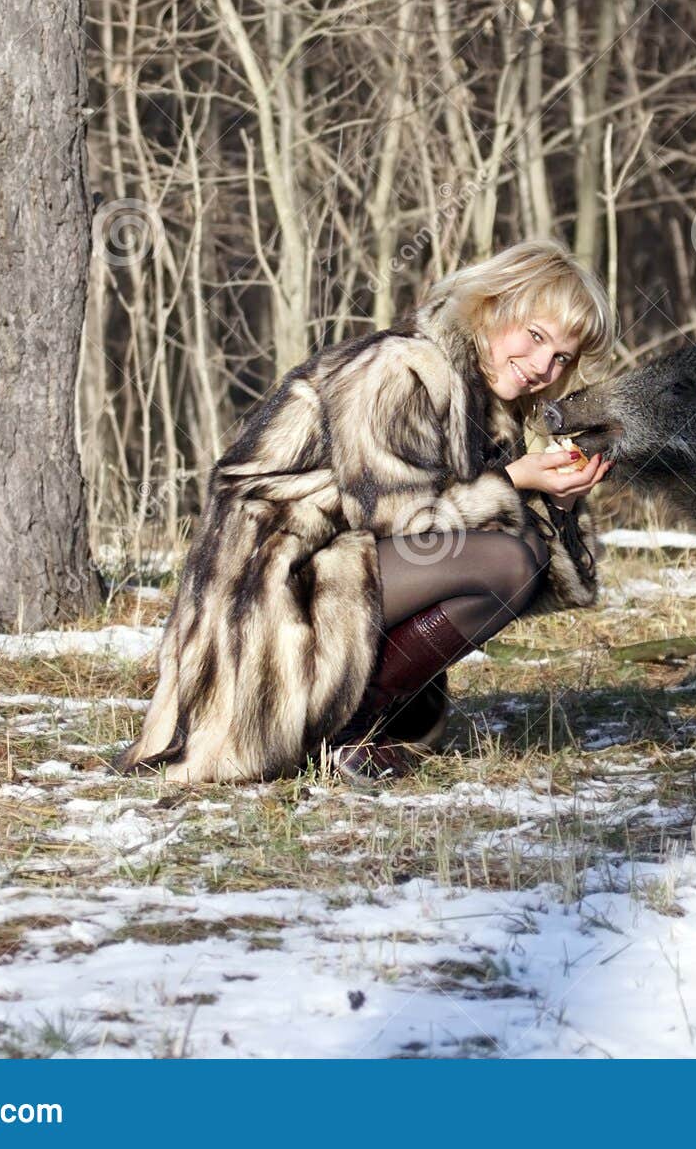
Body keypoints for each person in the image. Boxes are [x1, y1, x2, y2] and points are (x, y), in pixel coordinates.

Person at [113, 238, 616, 786]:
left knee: (522, 556)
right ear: (491, 306)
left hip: (336, 570)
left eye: (562, 357)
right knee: (508, 562)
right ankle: (344, 728)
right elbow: (413, 527)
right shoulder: (401, 369)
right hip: (272, 589)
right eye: (536, 336)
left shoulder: (492, 406)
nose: (543, 366)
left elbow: (547, 579)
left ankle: (357, 718)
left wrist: (559, 503)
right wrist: (514, 481)